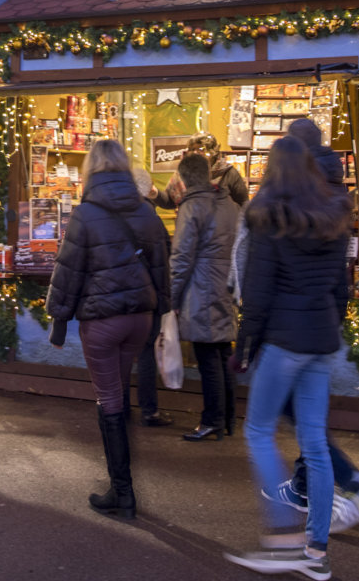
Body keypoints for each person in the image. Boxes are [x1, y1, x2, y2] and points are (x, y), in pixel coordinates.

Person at [224, 136, 352, 581]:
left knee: (258, 431)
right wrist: (332, 322)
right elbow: (341, 286)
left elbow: (257, 295)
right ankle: (317, 549)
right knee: (314, 444)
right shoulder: (334, 217)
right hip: (321, 339)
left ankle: (282, 539)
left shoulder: (269, 220)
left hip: (283, 340)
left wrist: (244, 348)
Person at [47, 138, 171, 521]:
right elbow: (161, 266)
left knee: (109, 400)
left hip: (103, 319)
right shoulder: (146, 212)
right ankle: (122, 485)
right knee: (119, 389)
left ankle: (123, 492)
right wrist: (162, 312)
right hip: (139, 318)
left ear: (91, 171)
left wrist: (59, 319)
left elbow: (69, 270)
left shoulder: (86, 215)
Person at [271, 117, 359, 532]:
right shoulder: (335, 191)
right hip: (321, 320)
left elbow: (286, 266)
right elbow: (336, 269)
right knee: (305, 410)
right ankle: (307, 486)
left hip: (296, 323)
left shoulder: (299, 193)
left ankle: (350, 486)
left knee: (297, 412)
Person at [170, 152, 239, 441]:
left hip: (201, 289)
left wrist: (170, 299)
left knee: (209, 357)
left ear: (184, 179)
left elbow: (181, 258)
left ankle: (212, 419)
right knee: (223, 354)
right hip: (226, 287)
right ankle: (227, 418)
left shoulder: (193, 206)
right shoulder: (230, 204)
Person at [124, 165, 173, 427]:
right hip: (146, 295)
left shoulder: (110, 214)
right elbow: (163, 258)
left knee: (121, 354)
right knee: (145, 354)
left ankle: (117, 407)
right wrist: (165, 301)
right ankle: (149, 410)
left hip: (119, 298)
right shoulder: (150, 216)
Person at [155, 132, 248, 209]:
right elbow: (169, 202)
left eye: (200, 149)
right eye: (192, 149)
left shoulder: (228, 173)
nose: (195, 153)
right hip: (191, 225)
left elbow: (243, 205)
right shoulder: (182, 174)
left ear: (212, 151)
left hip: (220, 228)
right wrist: (154, 193)